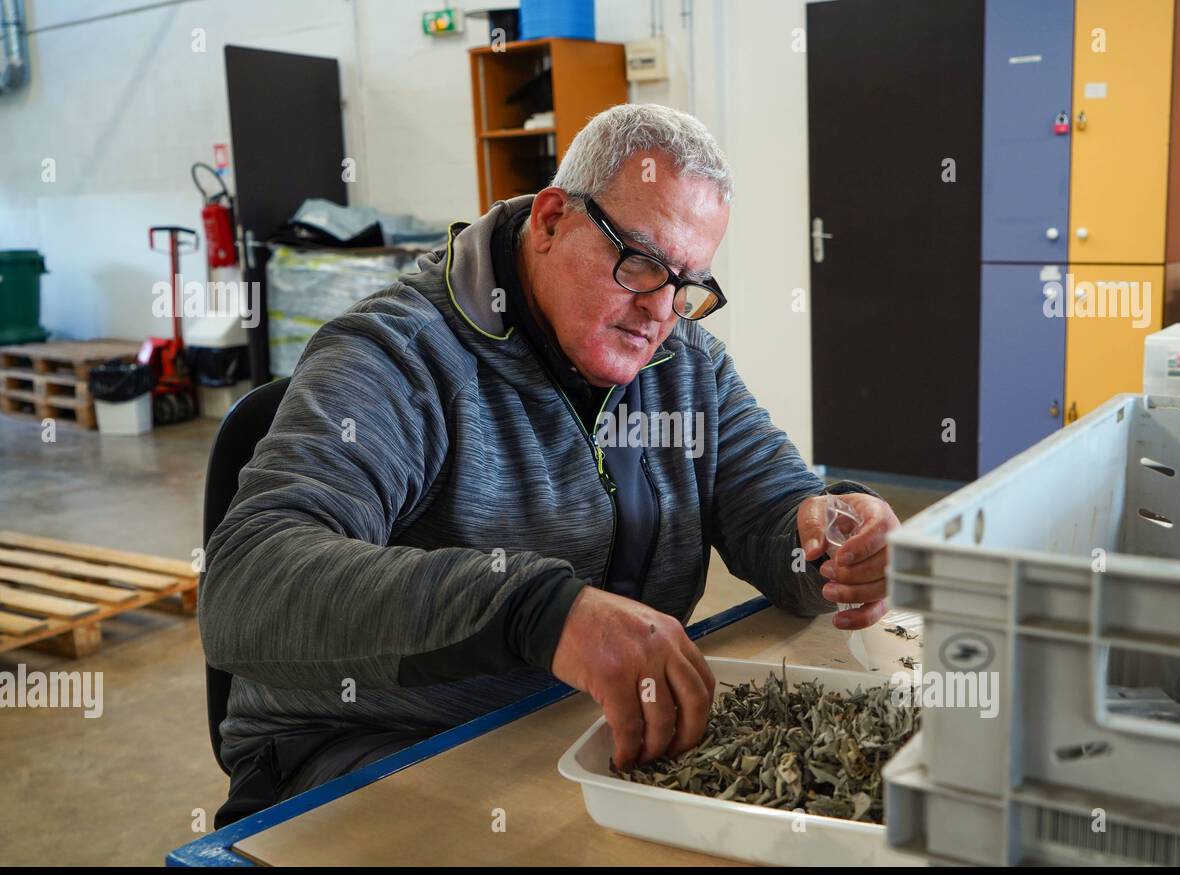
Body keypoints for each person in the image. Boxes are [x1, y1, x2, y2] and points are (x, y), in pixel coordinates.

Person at [199, 103, 899, 828]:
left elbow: (771, 506)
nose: (661, 309)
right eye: (641, 262)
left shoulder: (686, 364)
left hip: (574, 733)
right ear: (552, 219)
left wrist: (830, 536)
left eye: (688, 284)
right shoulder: (400, 356)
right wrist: (538, 613)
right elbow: (247, 585)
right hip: (373, 747)